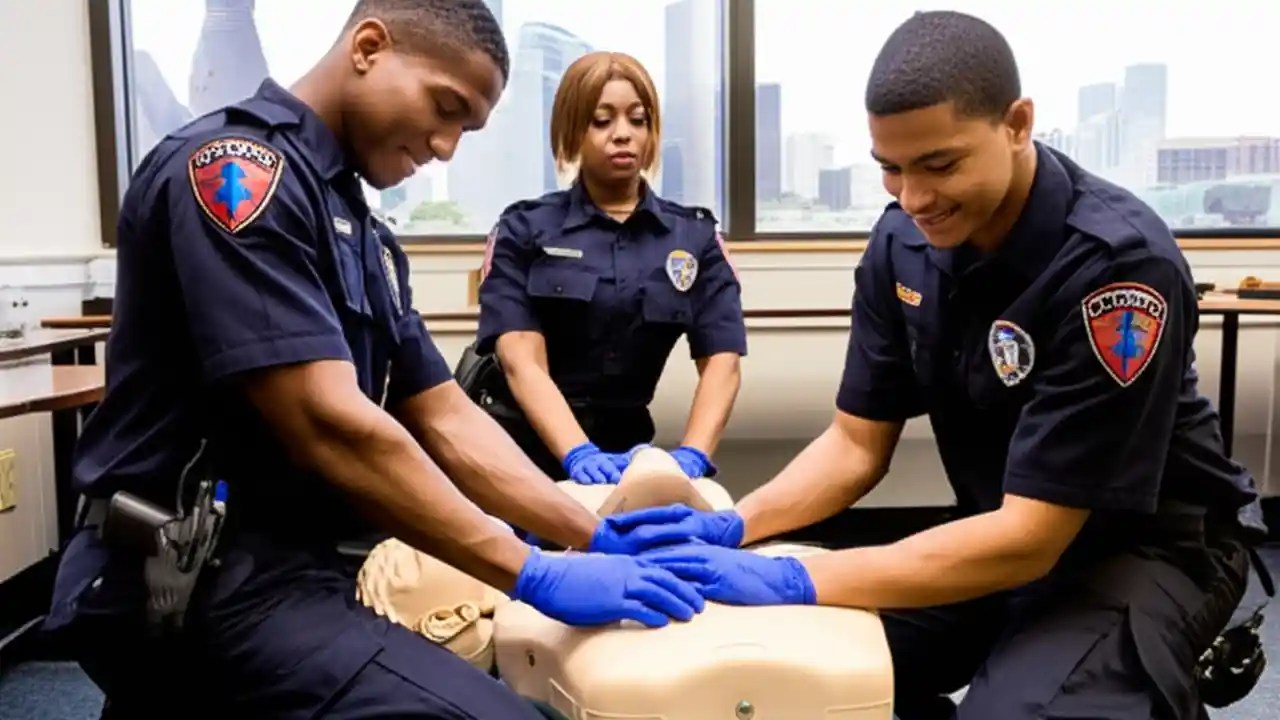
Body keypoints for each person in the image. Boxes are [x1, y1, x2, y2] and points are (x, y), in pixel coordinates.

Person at [43, 2, 706, 718]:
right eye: (445, 107)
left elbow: (446, 414)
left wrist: (591, 529)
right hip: (190, 580)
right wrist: (530, 570)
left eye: (468, 128)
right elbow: (330, 424)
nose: (448, 146)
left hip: (288, 570)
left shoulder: (364, 237)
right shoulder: (241, 176)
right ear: (368, 46)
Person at [628, 11, 1268, 720]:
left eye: (939, 164)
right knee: (761, 656)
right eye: (890, 170)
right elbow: (854, 444)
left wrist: (795, 575)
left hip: (1145, 552)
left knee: (1018, 711)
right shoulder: (903, 242)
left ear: (1018, 124)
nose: (914, 197)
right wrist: (735, 528)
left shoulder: (1116, 267)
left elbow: (1031, 540)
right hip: (998, 532)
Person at [471, 51, 746, 486]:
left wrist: (693, 456)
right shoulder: (524, 228)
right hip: (519, 451)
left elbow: (722, 361)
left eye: (638, 120)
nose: (623, 135)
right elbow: (520, 359)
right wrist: (575, 452)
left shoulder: (693, 237)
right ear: (571, 130)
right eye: (602, 121)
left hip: (628, 454)